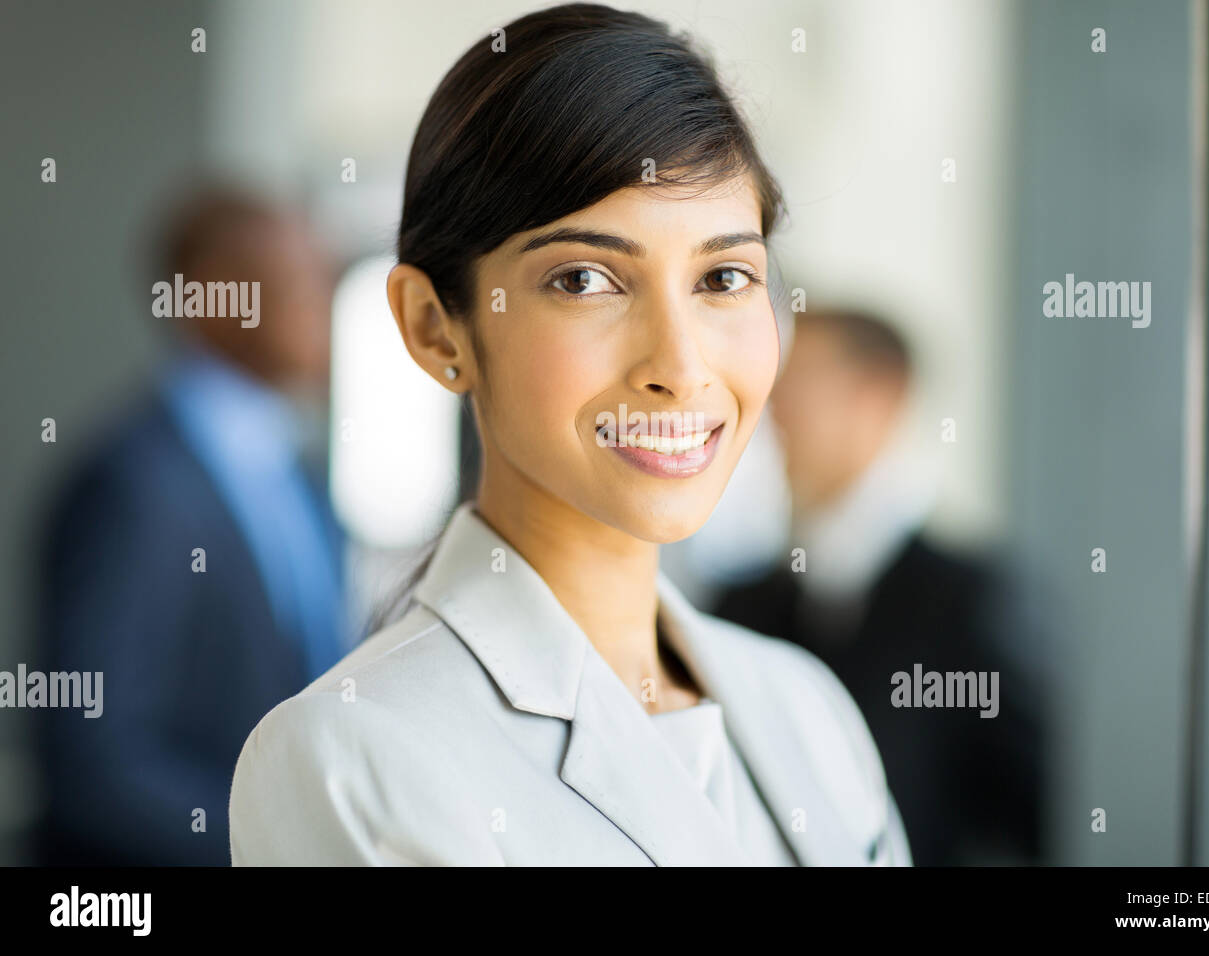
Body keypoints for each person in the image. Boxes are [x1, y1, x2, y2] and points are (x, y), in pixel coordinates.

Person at [229, 3, 910, 867]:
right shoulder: (347, 757)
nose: (680, 364)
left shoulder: (809, 710)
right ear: (437, 328)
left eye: (724, 276)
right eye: (585, 278)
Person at [33, 185, 350, 865]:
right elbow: (96, 761)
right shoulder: (132, 485)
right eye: (299, 283)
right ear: (206, 297)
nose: (322, 306)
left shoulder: (299, 473)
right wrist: (274, 846)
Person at [713, 307, 1047, 864]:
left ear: (881, 397)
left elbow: (1017, 822)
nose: (775, 412)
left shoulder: (973, 601)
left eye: (797, 384)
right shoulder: (741, 602)